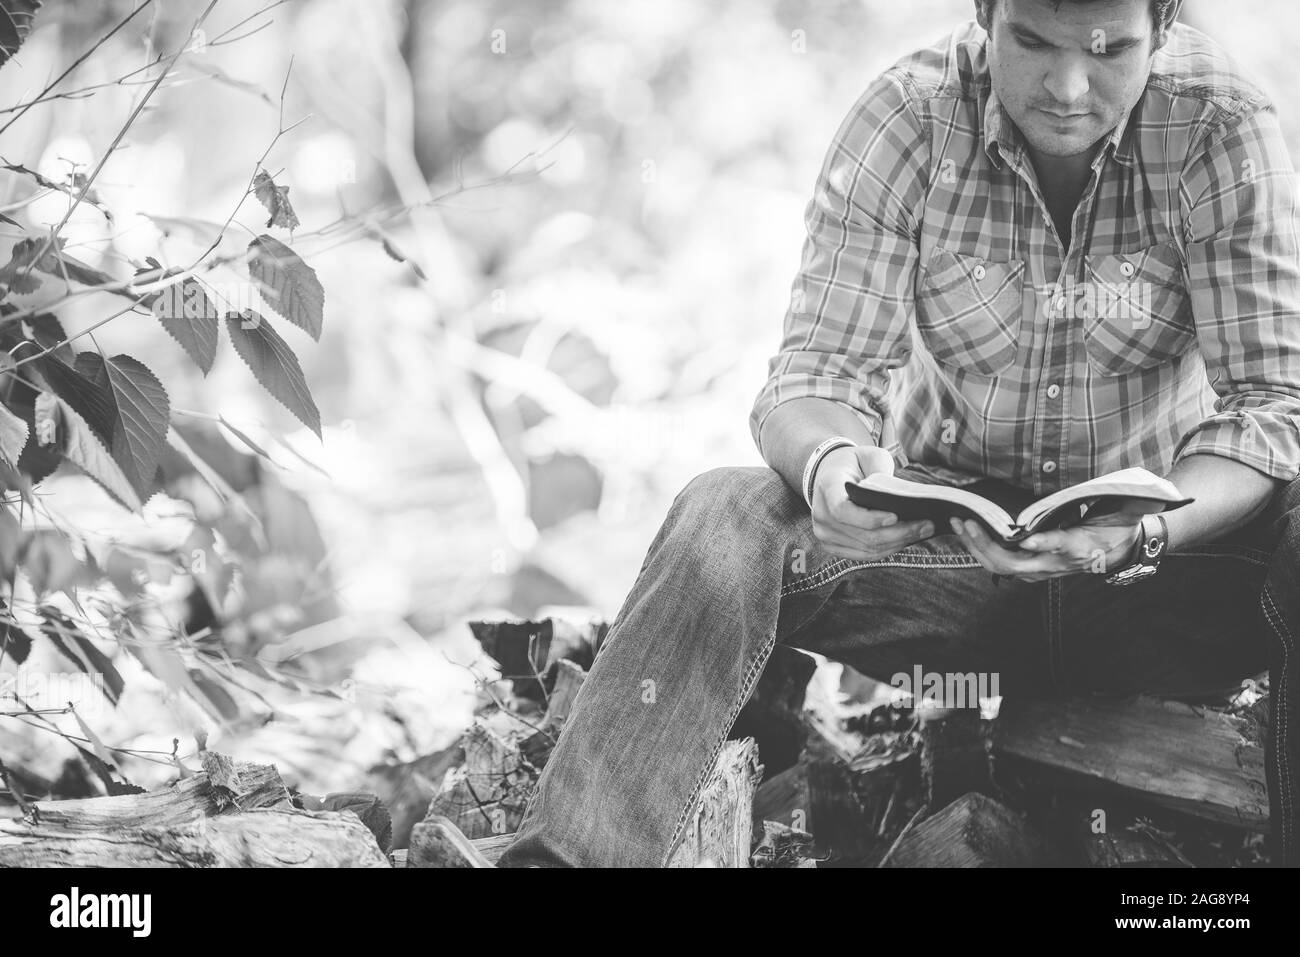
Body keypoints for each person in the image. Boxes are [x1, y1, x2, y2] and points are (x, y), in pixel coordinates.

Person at [498, 0, 1300, 867]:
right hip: (944, 563)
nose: (1069, 87)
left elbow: (1273, 407)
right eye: (1031, 42)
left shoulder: (1221, 128)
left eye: (1109, 51)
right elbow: (817, 377)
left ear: (1166, 25)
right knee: (727, 508)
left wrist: (1149, 527)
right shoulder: (908, 117)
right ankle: (573, 857)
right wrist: (832, 466)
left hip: (1162, 565)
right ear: (986, 15)